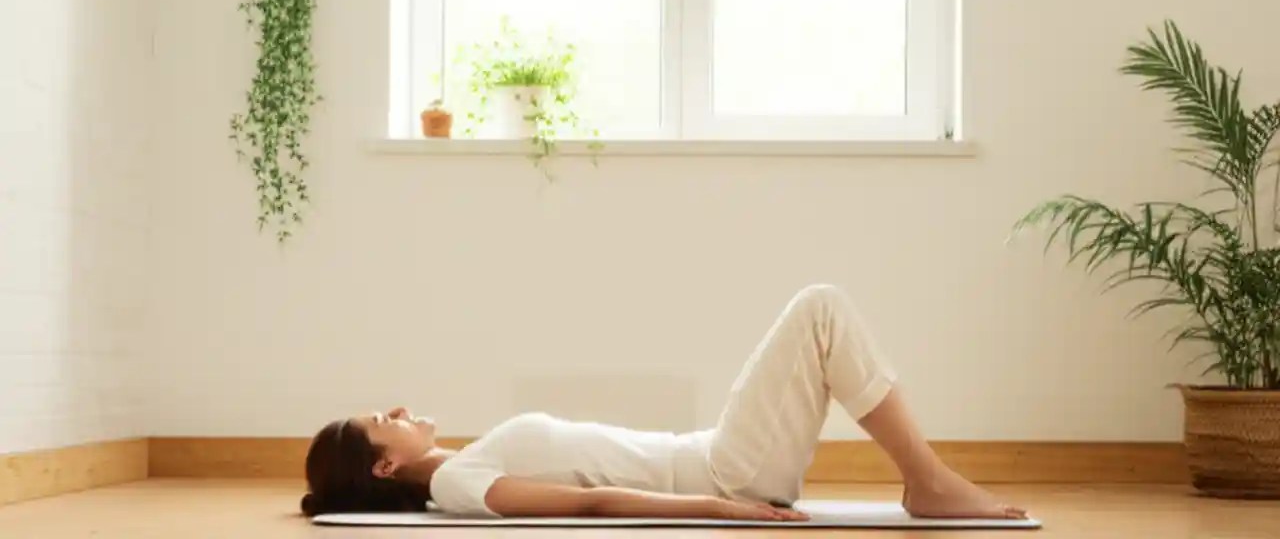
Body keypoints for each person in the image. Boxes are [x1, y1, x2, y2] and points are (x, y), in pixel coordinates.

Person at [300, 284, 1027, 521]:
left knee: (820, 312)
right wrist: (721, 510)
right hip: (721, 475)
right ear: (386, 469)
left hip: (713, 456)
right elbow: (592, 505)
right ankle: (926, 480)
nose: (396, 408)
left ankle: (927, 476)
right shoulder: (459, 483)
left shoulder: (465, 466)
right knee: (820, 308)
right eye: (382, 422)